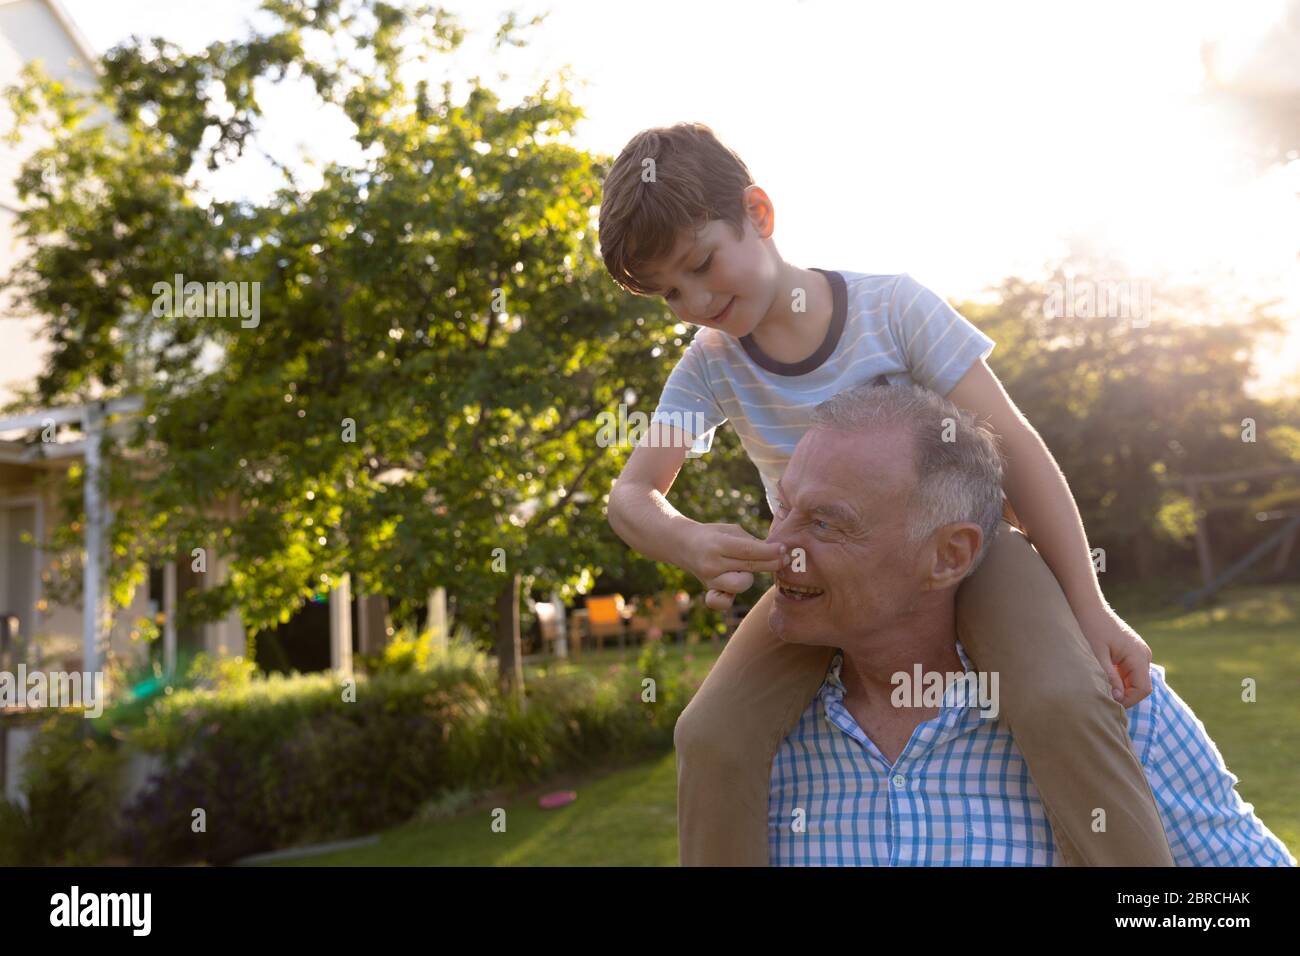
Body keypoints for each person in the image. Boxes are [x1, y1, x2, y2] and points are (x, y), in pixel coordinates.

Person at [598, 121, 1172, 865]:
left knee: (1062, 697)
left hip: (973, 554)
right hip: (817, 575)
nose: (697, 300)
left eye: (702, 264)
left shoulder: (893, 310)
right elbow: (631, 497)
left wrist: (1089, 608)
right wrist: (689, 540)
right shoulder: (711, 365)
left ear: (760, 215)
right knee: (708, 735)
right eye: (671, 292)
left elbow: (1018, 449)